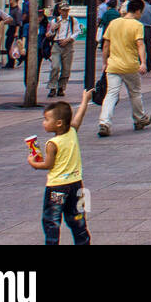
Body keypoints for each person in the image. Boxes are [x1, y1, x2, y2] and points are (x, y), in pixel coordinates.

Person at [27, 90, 95, 245]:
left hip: (57, 188)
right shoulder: (72, 131)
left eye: (46, 119)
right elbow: (80, 116)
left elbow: (48, 165)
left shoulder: (52, 144)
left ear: (58, 123)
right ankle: (83, 242)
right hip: (77, 185)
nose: (43, 123)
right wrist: (85, 100)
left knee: (52, 220)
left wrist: (33, 163)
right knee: (78, 218)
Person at [98, 0, 151, 137]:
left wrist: (104, 62)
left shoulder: (114, 23)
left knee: (111, 94)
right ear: (138, 11)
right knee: (135, 93)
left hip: (113, 65)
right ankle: (139, 118)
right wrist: (143, 62)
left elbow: (106, 45)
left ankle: (104, 122)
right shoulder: (137, 25)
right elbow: (140, 44)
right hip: (130, 66)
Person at [46, 4, 80, 97]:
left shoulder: (73, 20)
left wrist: (68, 39)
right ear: (59, 10)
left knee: (66, 69)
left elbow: (77, 31)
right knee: (55, 66)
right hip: (56, 44)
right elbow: (48, 34)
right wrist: (52, 29)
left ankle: (61, 87)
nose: (65, 12)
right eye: (63, 10)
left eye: (66, 10)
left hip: (68, 45)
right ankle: (52, 87)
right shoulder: (54, 21)